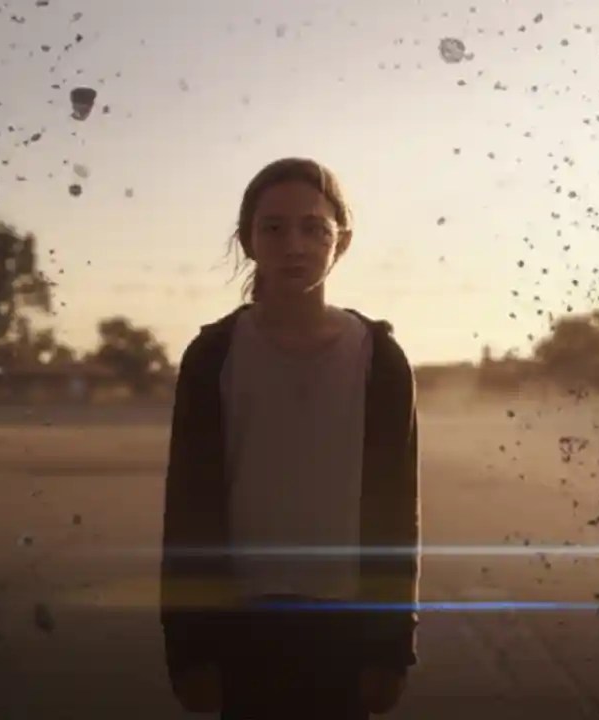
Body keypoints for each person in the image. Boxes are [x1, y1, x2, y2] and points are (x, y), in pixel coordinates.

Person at [159, 157, 422, 719]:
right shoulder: (213, 355)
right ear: (248, 239)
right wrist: (188, 650)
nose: (293, 246)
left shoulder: (379, 358)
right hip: (239, 625)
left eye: (313, 228)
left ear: (341, 241)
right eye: (274, 228)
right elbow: (187, 505)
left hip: (346, 626)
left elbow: (397, 507)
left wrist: (391, 648)